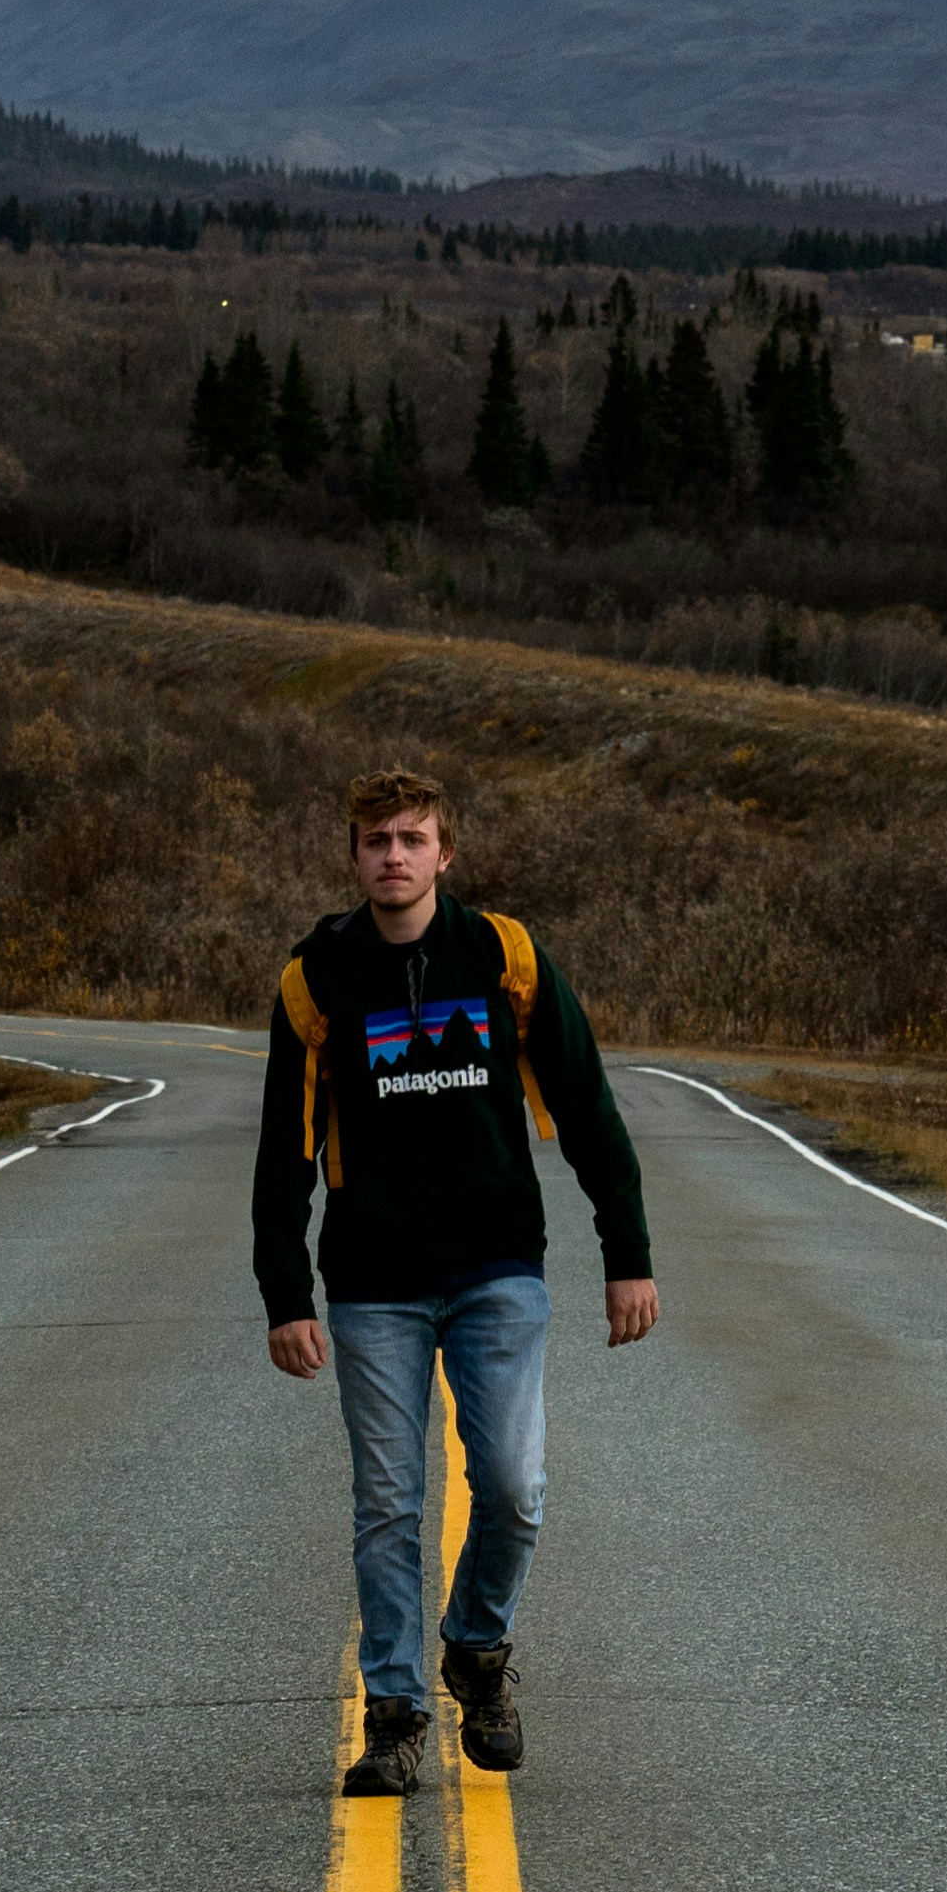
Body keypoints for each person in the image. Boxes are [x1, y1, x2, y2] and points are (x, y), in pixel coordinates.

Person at [255, 767, 657, 1797]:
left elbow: (586, 1101)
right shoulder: (317, 979)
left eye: (413, 838)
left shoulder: (503, 957)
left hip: (496, 1270)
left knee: (515, 1489)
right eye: (376, 839)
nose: (394, 855)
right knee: (388, 1502)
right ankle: (393, 1717)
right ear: (354, 855)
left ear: (445, 852)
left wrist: (629, 1256)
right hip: (373, 1282)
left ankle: (478, 1651)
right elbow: (282, 1151)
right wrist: (286, 1294)